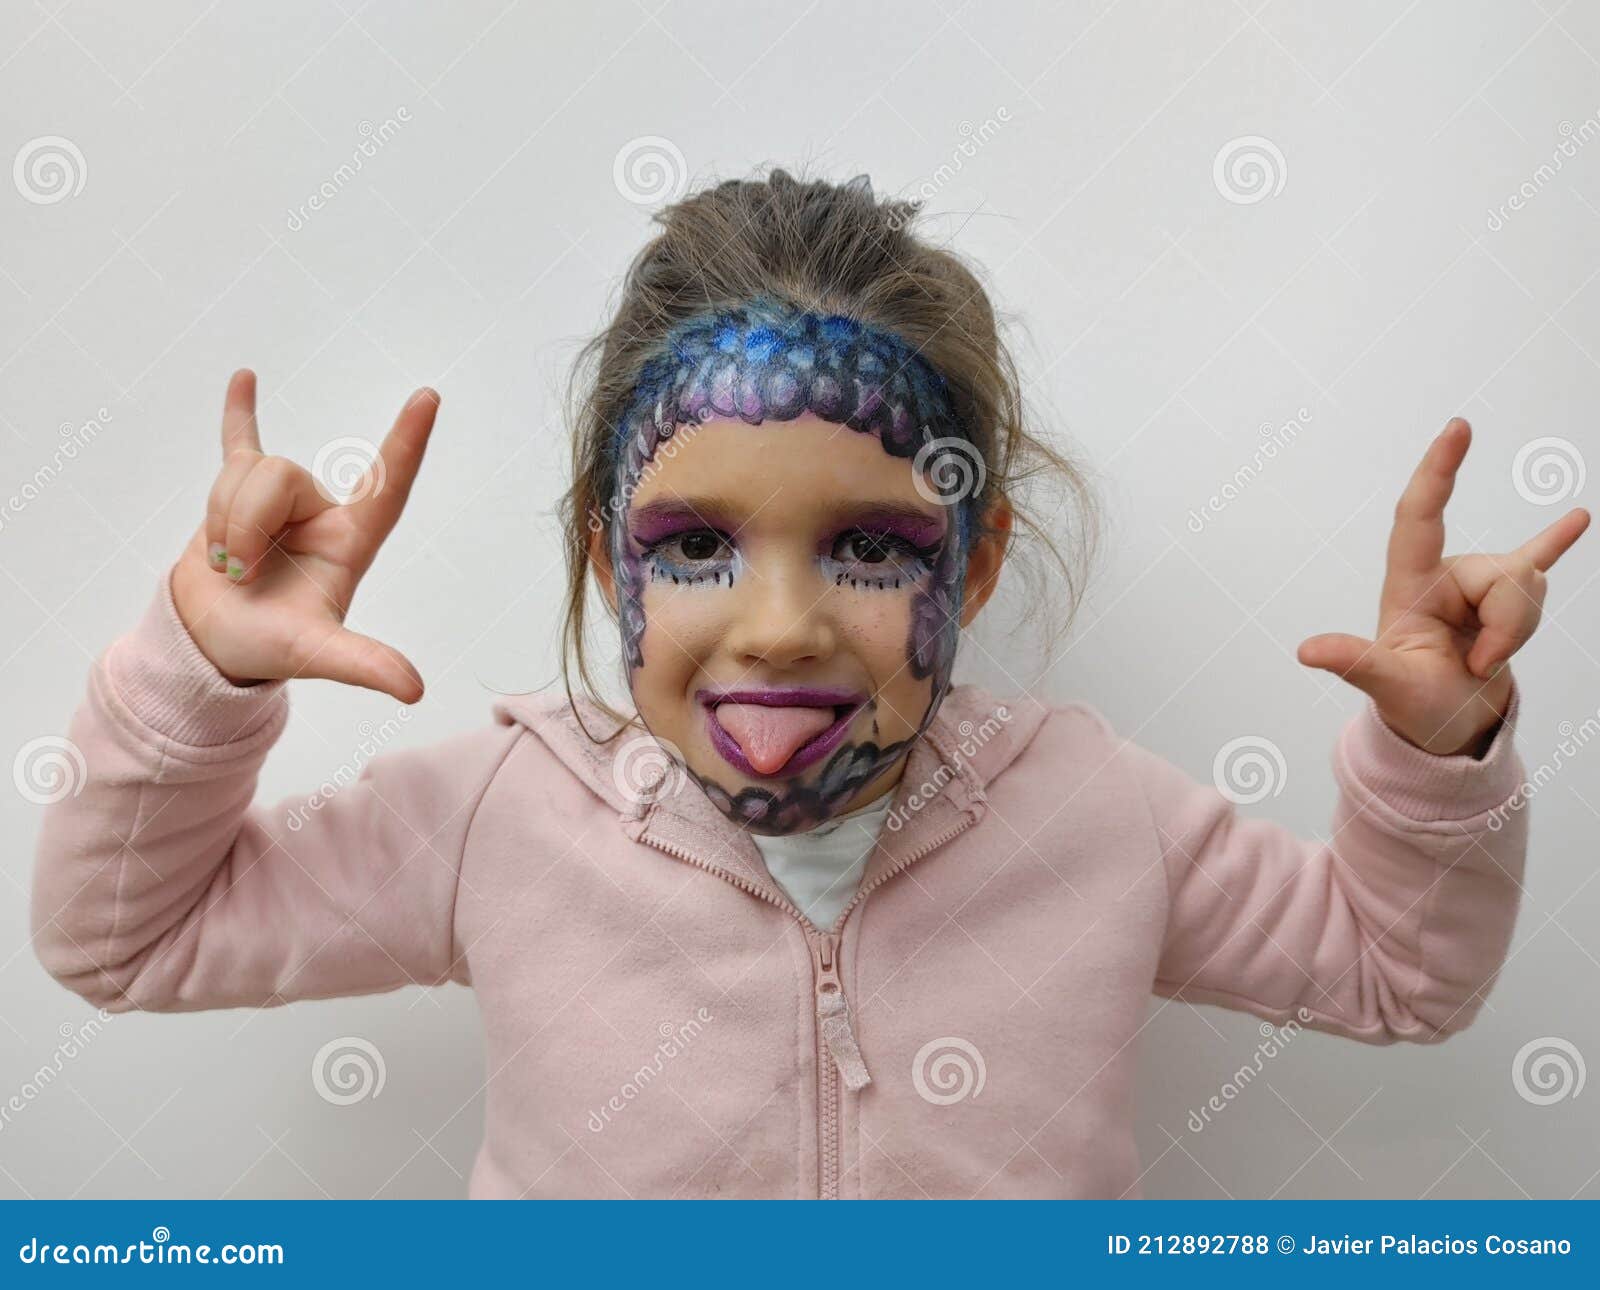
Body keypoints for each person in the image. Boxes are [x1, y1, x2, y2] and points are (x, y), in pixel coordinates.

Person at [28, 169, 1590, 1199]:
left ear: (971, 566)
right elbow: (123, 937)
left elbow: (1406, 976)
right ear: (604, 562)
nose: (775, 628)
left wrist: (1436, 752)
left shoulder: (1095, 811)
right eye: (696, 544)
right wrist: (200, 671)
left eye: (865, 546)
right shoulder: (499, 809)